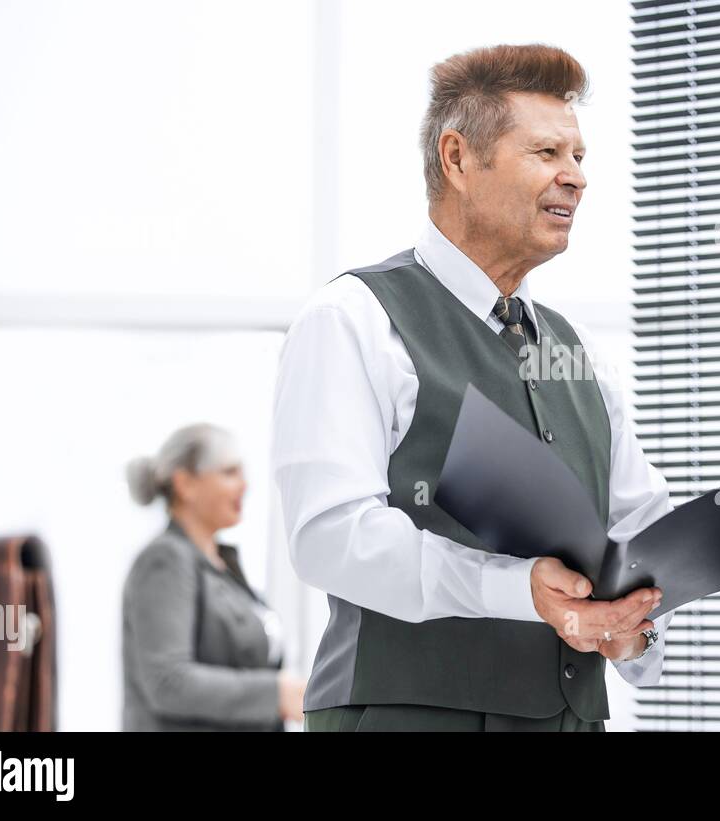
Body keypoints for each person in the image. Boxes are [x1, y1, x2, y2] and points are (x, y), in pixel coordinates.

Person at [272, 44, 673, 732]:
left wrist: (633, 632)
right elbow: (329, 536)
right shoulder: (354, 318)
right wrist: (516, 589)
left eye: (580, 157)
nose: (576, 178)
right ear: (457, 159)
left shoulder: (580, 354)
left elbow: (640, 532)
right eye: (548, 153)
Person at [122, 424, 304, 731]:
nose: (245, 485)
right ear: (185, 484)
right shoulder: (165, 561)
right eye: (230, 472)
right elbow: (168, 681)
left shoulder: (223, 567)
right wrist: (275, 693)